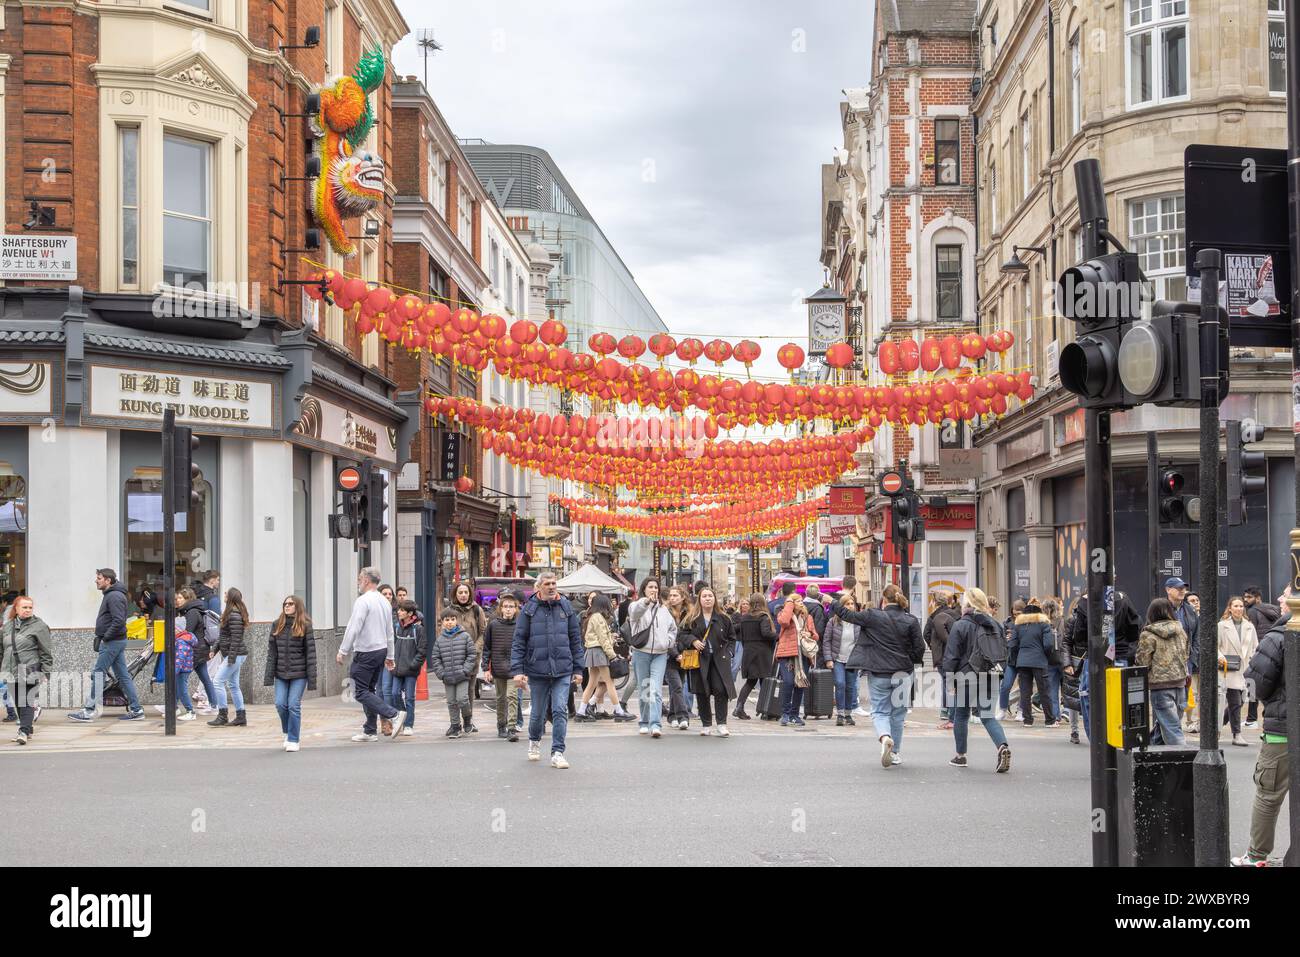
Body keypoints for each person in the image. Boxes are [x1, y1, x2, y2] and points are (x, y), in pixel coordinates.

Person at [832, 583, 923, 767]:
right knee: (898, 714)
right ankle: (895, 752)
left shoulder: (872, 616)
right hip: (903, 672)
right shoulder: (911, 620)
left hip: (879, 671)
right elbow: (919, 648)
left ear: (883, 600)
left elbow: (846, 615)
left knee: (880, 711)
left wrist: (830, 601)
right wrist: (908, 659)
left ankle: (885, 737)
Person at [1231, 610, 1292, 867]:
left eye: (1286, 594)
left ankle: (1257, 856)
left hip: (1282, 730)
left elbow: (1255, 683)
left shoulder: (1277, 637)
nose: (1279, 600)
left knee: (1269, 794)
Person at [510, 571, 584, 768]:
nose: (551, 587)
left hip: (563, 668)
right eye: (547, 584)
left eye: (554, 583)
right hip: (537, 669)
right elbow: (519, 641)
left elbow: (576, 640)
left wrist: (578, 668)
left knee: (560, 709)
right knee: (538, 714)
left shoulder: (566, 607)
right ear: (539, 587)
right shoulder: (529, 610)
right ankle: (534, 741)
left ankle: (558, 752)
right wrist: (518, 670)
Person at [943, 587, 1011, 772]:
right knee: (988, 716)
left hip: (967, 676)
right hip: (991, 675)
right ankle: (1002, 746)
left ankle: (960, 756)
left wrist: (949, 682)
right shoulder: (995, 624)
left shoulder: (961, 625)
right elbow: (1004, 650)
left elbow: (951, 657)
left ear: (967, 604)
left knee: (962, 715)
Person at [336, 567, 403, 742]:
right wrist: (390, 655)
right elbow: (390, 631)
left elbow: (354, 627)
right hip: (380, 651)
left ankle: (394, 715)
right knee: (369, 690)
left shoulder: (363, 601)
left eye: (359, 578)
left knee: (359, 691)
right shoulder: (384, 601)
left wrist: (343, 650)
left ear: (366, 580)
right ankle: (370, 729)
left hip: (366, 651)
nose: (358, 581)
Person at [68, 568, 145, 721]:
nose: (96, 580)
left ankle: (89, 710)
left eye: (99, 578)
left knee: (98, 673)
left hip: (112, 641)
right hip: (115, 641)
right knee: (123, 676)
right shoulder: (112, 594)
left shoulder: (114, 596)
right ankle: (137, 710)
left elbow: (118, 621)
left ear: (108, 580)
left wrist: (106, 637)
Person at [678, 586, 736, 736]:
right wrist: (693, 641)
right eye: (704, 596)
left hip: (719, 660)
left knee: (720, 690)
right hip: (700, 660)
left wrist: (729, 653)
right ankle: (706, 725)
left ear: (715, 599)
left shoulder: (723, 618)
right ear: (699, 599)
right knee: (702, 692)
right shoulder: (692, 618)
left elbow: (732, 638)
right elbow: (682, 635)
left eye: (710, 596)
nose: (708, 599)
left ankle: (722, 724)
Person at [626, 577, 678, 737]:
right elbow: (635, 614)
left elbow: (672, 628)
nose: (654, 590)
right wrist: (646, 602)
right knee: (644, 687)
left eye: (656, 587)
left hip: (660, 654)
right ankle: (644, 721)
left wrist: (668, 642)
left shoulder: (664, 609)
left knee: (655, 688)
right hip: (641, 652)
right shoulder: (636, 605)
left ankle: (655, 724)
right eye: (650, 587)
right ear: (644, 589)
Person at [264, 595, 316, 751]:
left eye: (290, 604)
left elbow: (311, 654)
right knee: (280, 704)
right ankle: (287, 731)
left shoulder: (305, 625)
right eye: (285, 604)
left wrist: (312, 678)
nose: (287, 606)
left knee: (293, 705)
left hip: (299, 674)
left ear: (297, 606)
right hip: (281, 673)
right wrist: (269, 676)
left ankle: (294, 739)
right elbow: (272, 653)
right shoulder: (276, 625)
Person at [1135, 598, 1190, 746]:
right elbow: (1187, 654)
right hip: (1180, 683)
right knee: (1167, 723)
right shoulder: (1180, 631)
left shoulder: (1148, 634)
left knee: (1171, 727)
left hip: (1160, 686)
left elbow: (1143, 662)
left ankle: (1184, 762)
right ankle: (1150, 750)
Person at [575, 593, 633, 722]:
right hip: (599, 651)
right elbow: (602, 639)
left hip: (592, 651)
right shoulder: (598, 617)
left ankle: (581, 711)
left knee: (592, 683)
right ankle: (618, 711)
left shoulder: (592, 616)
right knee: (609, 682)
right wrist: (612, 656)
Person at [1, 596, 51, 745]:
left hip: (30, 669)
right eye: (24, 607)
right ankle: (27, 729)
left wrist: (45, 672)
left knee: (27, 701)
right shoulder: (8, 626)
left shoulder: (39, 626)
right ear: (16, 609)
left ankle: (23, 731)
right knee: (18, 702)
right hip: (10, 670)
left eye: (30, 607)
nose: (28, 610)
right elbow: (2, 649)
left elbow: (46, 651)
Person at [1009, 598, 1059, 727]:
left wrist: (1018, 657)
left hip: (1022, 662)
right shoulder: (1044, 624)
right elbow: (1048, 645)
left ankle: (1027, 720)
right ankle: (1050, 720)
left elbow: (1013, 645)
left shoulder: (1018, 626)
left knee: (1025, 691)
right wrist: (1045, 656)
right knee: (1044, 691)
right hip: (1039, 661)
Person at [430, 606, 478, 738]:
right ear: (443, 622)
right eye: (447, 620)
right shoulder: (440, 640)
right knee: (451, 702)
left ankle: (467, 719)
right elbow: (435, 657)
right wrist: (441, 673)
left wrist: (465, 670)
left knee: (462, 699)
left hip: (462, 675)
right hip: (448, 677)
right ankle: (455, 726)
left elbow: (471, 654)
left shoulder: (465, 636)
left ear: (457, 621)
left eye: (452, 619)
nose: (450, 622)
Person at [1216, 596, 1257, 747]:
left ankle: (1217, 728)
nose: (1239, 608)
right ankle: (1237, 734)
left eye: (1241, 606)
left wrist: (1253, 663)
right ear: (1230, 608)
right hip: (1228, 669)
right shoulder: (1222, 625)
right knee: (1236, 702)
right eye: (1236, 606)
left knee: (1237, 703)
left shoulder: (1249, 626)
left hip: (1244, 671)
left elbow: (1254, 647)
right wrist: (1220, 657)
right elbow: (1215, 646)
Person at [207, 587, 251, 728]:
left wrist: (230, 659)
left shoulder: (234, 615)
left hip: (235, 654)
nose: (224, 595)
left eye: (226, 593)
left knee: (217, 681)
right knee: (233, 685)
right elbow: (223, 636)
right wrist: (215, 649)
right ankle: (240, 716)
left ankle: (222, 715)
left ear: (231, 597)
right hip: (235, 654)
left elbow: (236, 639)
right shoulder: (229, 613)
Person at [483, 591, 522, 740]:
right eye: (505, 606)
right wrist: (486, 668)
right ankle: (501, 725)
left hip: (515, 667)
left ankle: (511, 727)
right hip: (498, 667)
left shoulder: (520, 625)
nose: (508, 609)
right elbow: (487, 648)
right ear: (500, 608)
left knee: (512, 696)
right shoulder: (493, 625)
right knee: (500, 698)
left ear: (516, 608)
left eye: (511, 607)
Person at [774, 591, 817, 727]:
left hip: (802, 655)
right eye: (796, 601)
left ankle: (794, 714)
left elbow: (816, 636)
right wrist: (789, 603)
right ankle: (785, 713)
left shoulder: (807, 617)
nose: (800, 603)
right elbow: (784, 622)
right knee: (787, 682)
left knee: (800, 684)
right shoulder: (783, 614)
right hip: (787, 653)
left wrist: (808, 633)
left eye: (801, 601)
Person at [1163, 577, 1200, 732]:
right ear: (1168, 590)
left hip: (1185, 662)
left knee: (1182, 699)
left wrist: (1194, 655)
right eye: (1178, 588)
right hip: (1166, 662)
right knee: (1166, 700)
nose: (1182, 590)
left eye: (1184, 588)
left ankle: (1173, 729)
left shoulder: (1189, 610)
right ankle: (1171, 733)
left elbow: (1196, 634)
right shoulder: (1161, 607)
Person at [733, 592, 777, 720]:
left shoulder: (745, 618)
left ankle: (739, 707)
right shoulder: (763, 616)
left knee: (750, 682)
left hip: (748, 651)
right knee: (765, 681)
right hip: (762, 653)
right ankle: (766, 709)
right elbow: (766, 633)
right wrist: (778, 636)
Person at [174, 587, 217, 716]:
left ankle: (178, 707)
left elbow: (188, 632)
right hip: (201, 648)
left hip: (195, 650)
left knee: (181, 678)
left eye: (180, 598)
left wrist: (177, 632)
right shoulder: (194, 610)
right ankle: (214, 705)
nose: (177, 600)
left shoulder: (192, 612)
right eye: (177, 598)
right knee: (205, 678)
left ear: (188, 599)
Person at [1242, 586, 1280, 729]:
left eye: (1249, 597)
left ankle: (1252, 718)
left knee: (1252, 684)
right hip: (1273, 651)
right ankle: (1255, 717)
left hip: (1258, 652)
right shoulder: (1274, 610)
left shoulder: (1252, 611)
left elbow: (1250, 635)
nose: (1246, 600)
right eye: (1245, 597)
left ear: (1258, 598)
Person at [823, 591, 862, 727]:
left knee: (850, 687)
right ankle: (839, 714)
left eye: (852, 604)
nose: (850, 606)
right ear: (841, 606)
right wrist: (828, 659)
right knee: (840, 684)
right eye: (847, 604)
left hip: (852, 660)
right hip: (837, 659)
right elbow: (826, 641)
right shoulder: (832, 622)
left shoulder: (858, 623)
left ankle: (848, 713)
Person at [925, 592, 959, 729]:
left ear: (935, 602)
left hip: (942, 656)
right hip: (955, 655)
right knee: (952, 684)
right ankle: (952, 714)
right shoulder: (956, 614)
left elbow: (925, 633)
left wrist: (933, 646)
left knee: (948, 685)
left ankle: (950, 716)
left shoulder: (934, 617)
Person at [392, 600, 426, 735]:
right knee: (395, 694)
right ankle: (403, 715)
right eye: (398, 609)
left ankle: (408, 725)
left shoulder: (418, 629)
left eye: (401, 610)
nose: (398, 612)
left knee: (410, 698)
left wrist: (413, 665)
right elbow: (392, 646)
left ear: (410, 613)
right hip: (397, 668)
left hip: (411, 670)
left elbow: (422, 650)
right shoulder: (396, 627)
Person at [663, 584, 693, 729]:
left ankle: (672, 716)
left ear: (683, 598)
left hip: (685, 654)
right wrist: (675, 655)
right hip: (669, 656)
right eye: (671, 596)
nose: (672, 598)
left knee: (676, 687)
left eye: (675, 595)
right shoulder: (665, 613)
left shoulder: (690, 614)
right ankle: (683, 716)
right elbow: (665, 636)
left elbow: (692, 634)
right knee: (677, 686)